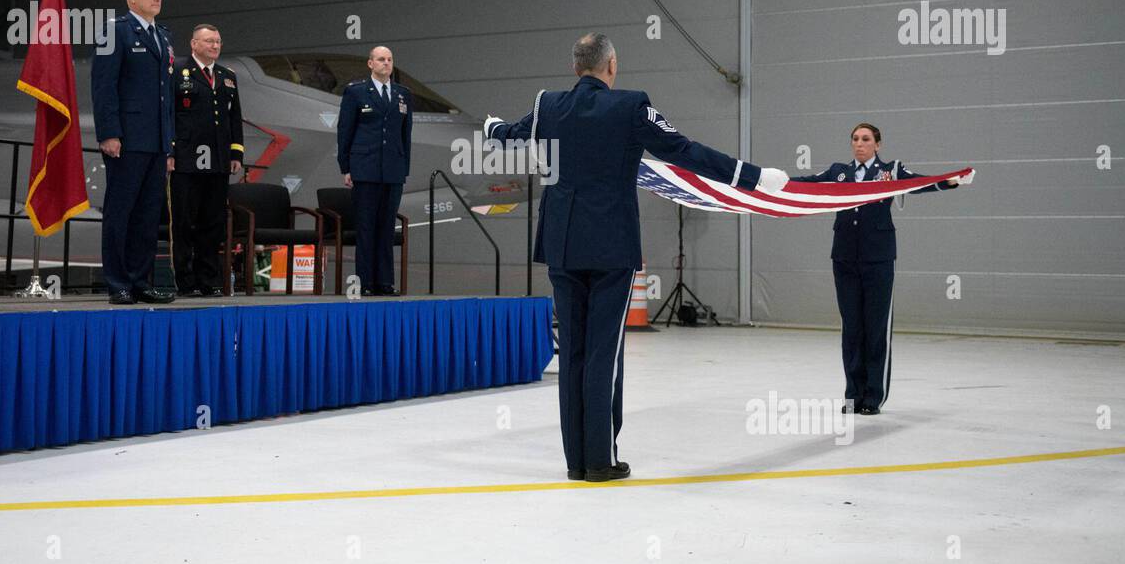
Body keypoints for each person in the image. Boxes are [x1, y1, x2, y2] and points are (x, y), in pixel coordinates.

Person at [485, 33, 788, 482]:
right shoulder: (631, 107)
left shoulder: (548, 104)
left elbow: (509, 136)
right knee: (603, 352)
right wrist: (752, 177)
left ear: (576, 68)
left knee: (573, 352)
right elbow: (685, 152)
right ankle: (600, 460)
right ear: (612, 66)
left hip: (562, 245)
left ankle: (576, 461)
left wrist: (491, 127)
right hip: (610, 245)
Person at [790, 122, 969, 415]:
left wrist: (949, 181)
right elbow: (807, 182)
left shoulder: (890, 171)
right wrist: (767, 182)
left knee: (875, 329)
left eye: (865, 139)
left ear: (878, 144)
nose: (859, 144)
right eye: (855, 139)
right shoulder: (838, 172)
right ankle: (852, 395)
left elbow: (919, 184)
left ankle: (873, 396)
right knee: (851, 329)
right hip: (845, 258)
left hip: (879, 259)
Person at [91, 0, 176, 305]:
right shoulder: (115, 31)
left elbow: (165, 96)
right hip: (126, 140)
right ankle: (118, 282)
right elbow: (104, 86)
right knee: (120, 212)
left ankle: (141, 280)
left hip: (155, 142)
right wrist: (109, 133)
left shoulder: (164, 37)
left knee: (148, 215)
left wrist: (168, 144)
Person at [169, 24, 244, 297]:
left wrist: (236, 153)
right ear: (193, 44)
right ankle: (185, 281)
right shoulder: (177, 72)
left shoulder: (227, 76)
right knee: (185, 221)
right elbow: (170, 114)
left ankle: (208, 279)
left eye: (218, 41)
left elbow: (234, 117)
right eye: (209, 41)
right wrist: (171, 151)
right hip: (186, 159)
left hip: (218, 160)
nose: (215, 46)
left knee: (212, 223)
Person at [335, 45, 412, 296]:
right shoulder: (356, 92)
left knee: (387, 226)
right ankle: (365, 283)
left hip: (392, 170)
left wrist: (404, 168)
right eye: (380, 59)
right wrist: (345, 166)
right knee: (366, 227)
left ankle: (385, 282)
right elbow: (345, 131)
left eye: (389, 60)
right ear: (370, 64)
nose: (386, 64)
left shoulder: (402, 94)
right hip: (364, 168)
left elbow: (405, 134)